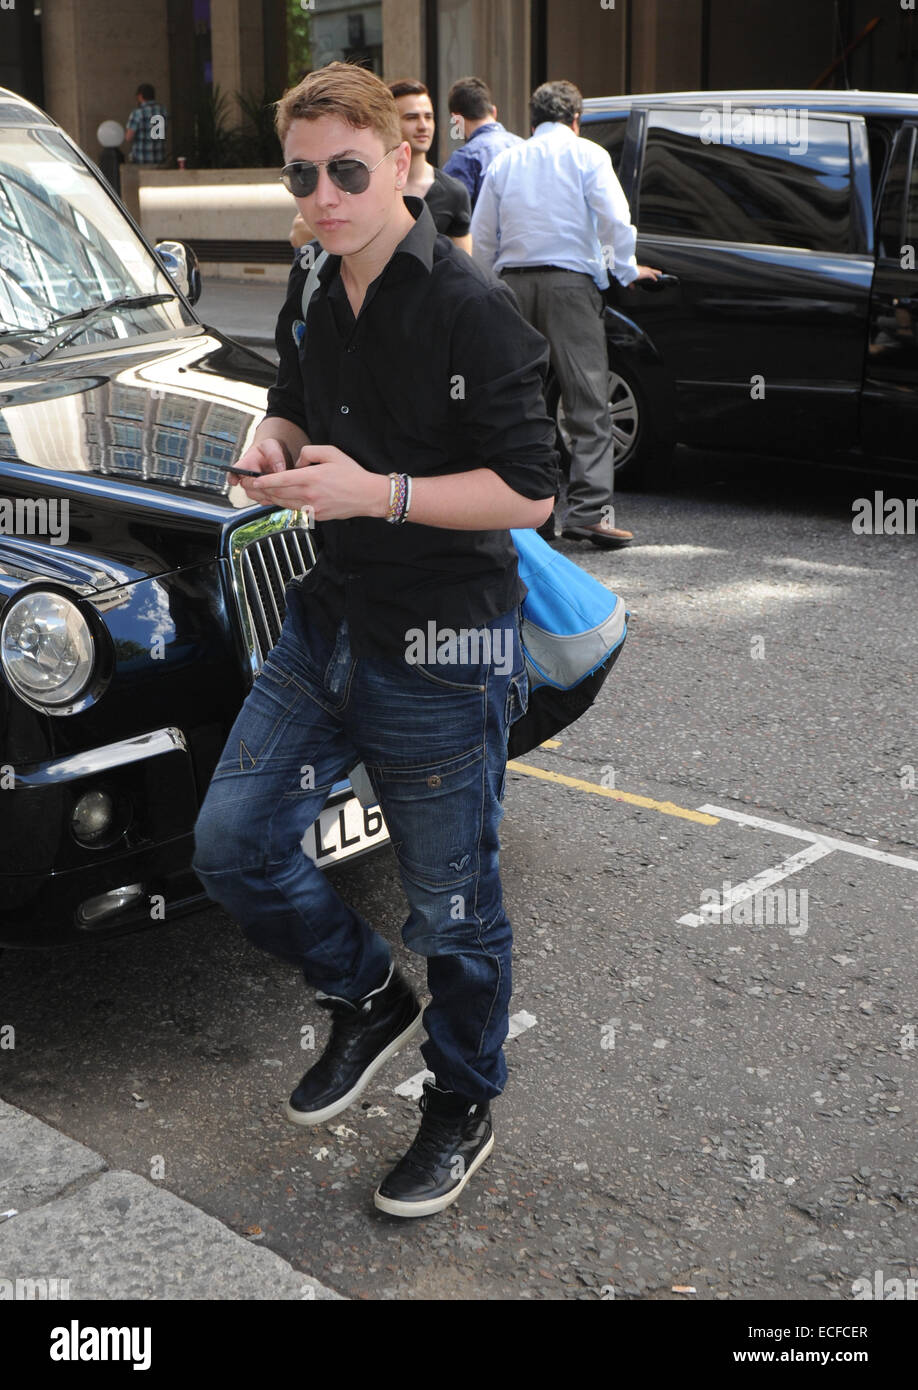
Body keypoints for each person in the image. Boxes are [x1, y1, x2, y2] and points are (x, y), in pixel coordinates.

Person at [192, 61, 558, 1219]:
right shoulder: (312, 276)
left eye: (348, 170)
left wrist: (381, 493)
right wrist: (270, 443)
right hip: (328, 620)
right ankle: (364, 996)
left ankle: (462, 1098)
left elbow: (533, 492)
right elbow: (294, 398)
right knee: (232, 845)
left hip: (445, 648)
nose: (324, 195)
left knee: (454, 907)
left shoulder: (469, 304)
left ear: (404, 161)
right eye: (302, 174)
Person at [471, 79, 661, 549]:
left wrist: (487, 291)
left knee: (520, 400)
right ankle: (588, 513)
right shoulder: (588, 155)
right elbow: (615, 220)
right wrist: (626, 269)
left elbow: (482, 237)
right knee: (586, 402)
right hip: (571, 288)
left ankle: (524, 514)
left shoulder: (505, 161)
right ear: (577, 120)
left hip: (511, 287)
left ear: (531, 121)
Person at [387, 79, 472, 253]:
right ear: (389, 123)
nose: (423, 126)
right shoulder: (368, 186)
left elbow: (464, 270)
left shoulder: (454, 192)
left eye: (428, 117)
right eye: (411, 118)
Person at [443, 76, 522, 209]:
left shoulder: (464, 158)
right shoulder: (525, 146)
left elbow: (449, 214)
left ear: (456, 120)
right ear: (494, 111)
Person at [124, 84, 169, 165]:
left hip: (142, 158)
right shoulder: (163, 110)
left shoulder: (138, 113)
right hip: (160, 158)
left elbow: (128, 137)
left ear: (140, 96)